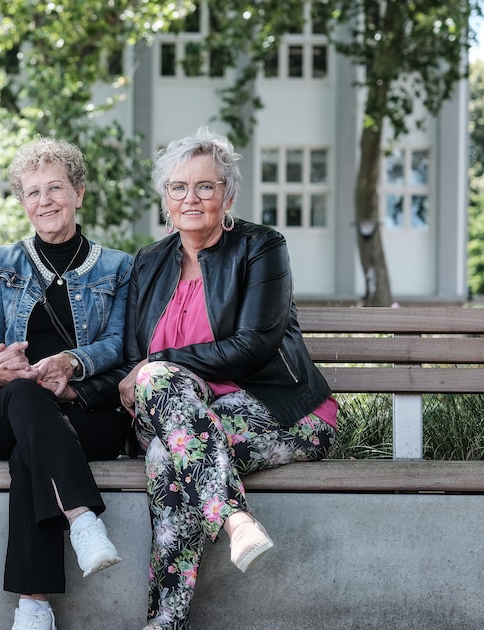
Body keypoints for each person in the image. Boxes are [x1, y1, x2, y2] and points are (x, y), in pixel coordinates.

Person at [117, 128, 338, 630]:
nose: (190, 198)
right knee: (163, 404)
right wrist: (150, 369)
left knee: (165, 458)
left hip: (279, 413)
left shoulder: (261, 247)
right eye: (178, 187)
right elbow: (134, 358)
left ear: (228, 195)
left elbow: (253, 345)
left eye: (205, 187)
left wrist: (158, 364)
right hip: (177, 415)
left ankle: (164, 623)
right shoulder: (149, 263)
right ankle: (235, 519)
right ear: (164, 197)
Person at [0, 137, 134, 630]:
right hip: (9, 407)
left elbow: (122, 345)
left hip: (85, 412)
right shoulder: (0, 262)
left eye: (56, 188)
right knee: (24, 392)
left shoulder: (117, 266)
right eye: (33, 192)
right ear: (22, 203)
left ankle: (33, 605)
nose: (45, 201)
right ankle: (82, 518)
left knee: (29, 455)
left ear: (79, 193)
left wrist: (72, 364)